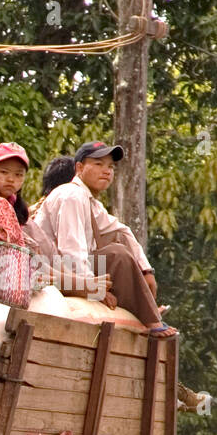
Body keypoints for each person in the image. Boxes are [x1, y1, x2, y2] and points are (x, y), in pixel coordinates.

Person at [29, 141, 175, 337]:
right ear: (79, 168)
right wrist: (92, 289)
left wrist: (146, 270)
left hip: (72, 269)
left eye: (110, 166)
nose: (106, 171)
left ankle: (147, 312)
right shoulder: (71, 195)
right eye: (98, 164)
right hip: (52, 269)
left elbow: (121, 231)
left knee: (117, 251)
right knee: (117, 255)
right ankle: (151, 319)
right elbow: (72, 250)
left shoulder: (90, 201)